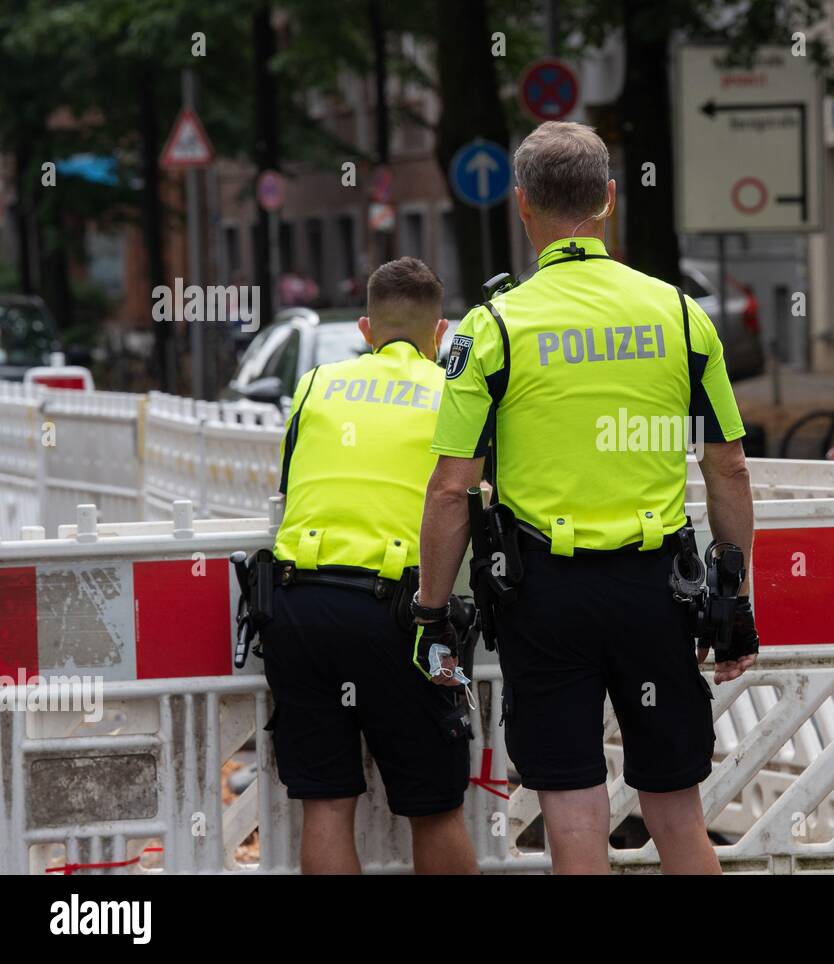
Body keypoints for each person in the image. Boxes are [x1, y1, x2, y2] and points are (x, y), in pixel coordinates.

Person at [414, 121, 759, 875]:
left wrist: (432, 614)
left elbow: (450, 489)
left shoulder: (495, 326)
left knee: (573, 812)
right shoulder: (679, 314)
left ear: (521, 205)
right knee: (677, 810)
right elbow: (726, 466)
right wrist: (734, 595)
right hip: (657, 591)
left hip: (547, 598)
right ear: (607, 201)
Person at [260, 256, 477, 875]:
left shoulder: (316, 384)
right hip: (395, 613)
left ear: (365, 329)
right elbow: (471, 497)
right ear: (441, 335)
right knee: (435, 807)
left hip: (296, 602)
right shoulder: (452, 393)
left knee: (325, 806)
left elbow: (290, 481)